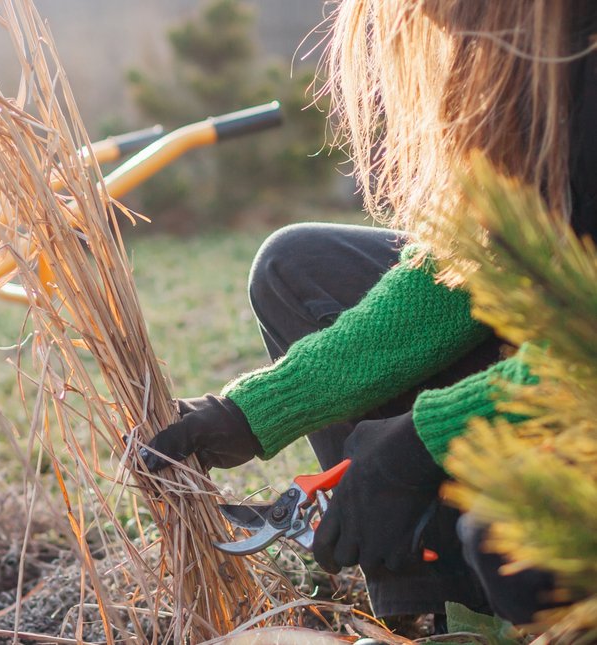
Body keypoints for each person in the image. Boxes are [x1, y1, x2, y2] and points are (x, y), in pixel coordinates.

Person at [138, 0, 593, 628]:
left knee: (512, 542)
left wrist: (419, 443)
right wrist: (258, 408)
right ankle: (423, 612)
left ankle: (486, 578)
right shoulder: (529, 61)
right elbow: (466, 270)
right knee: (298, 267)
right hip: (560, 366)